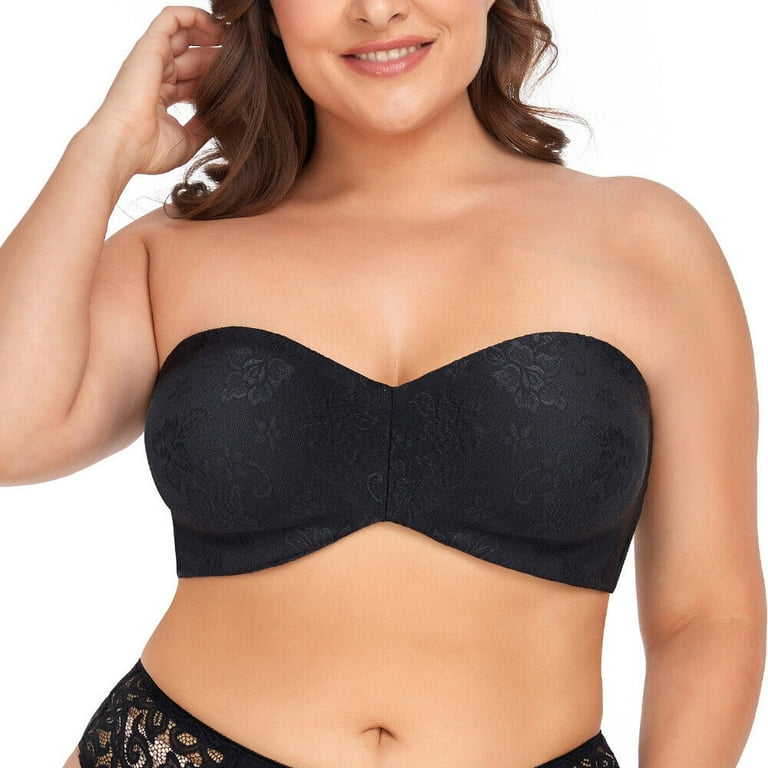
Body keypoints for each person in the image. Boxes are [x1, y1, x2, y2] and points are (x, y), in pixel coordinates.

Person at [0, 1, 765, 766]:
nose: (376, 10)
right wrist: (103, 149)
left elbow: (709, 615)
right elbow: (11, 432)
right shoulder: (172, 253)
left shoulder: (645, 243)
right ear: (268, 13)